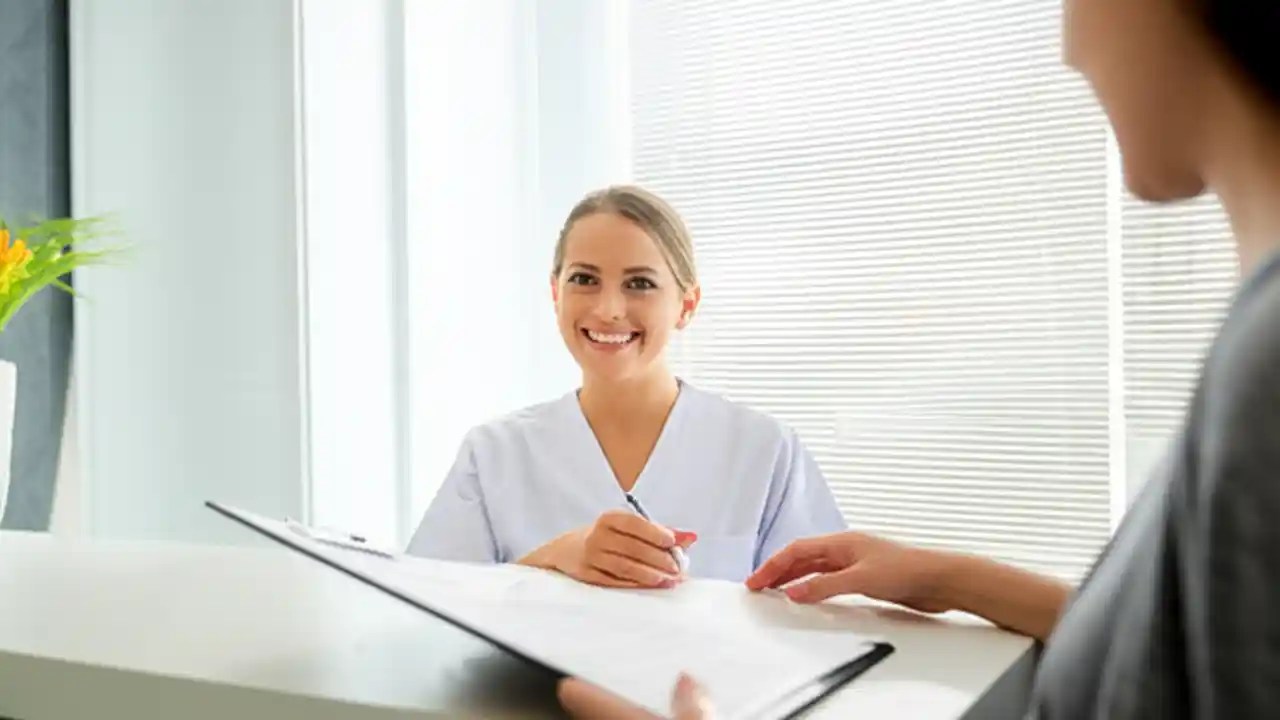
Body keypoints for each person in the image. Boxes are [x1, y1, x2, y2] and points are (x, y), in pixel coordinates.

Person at [558, 0, 1280, 716]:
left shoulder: (1265, 369)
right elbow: (1170, 649)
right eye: (584, 279)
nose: (1069, 46)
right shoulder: (1254, 348)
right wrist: (945, 579)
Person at [406, 185, 846, 587]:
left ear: (686, 305)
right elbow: (429, 611)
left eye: (640, 284)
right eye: (584, 279)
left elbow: (827, 619)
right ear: (556, 292)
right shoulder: (494, 454)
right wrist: (551, 560)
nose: (609, 309)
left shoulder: (764, 451)